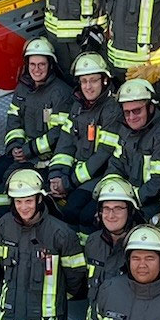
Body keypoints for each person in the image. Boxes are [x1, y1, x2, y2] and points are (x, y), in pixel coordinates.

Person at [0, 169, 86, 320]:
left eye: (28, 201)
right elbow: (1, 267)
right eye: (18, 201)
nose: (23, 207)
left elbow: (75, 278)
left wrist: (58, 296)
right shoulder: (4, 225)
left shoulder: (61, 233)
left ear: (39, 199)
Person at [0, 37, 75, 210]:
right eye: (32, 64)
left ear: (50, 65)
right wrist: (15, 146)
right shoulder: (23, 88)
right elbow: (13, 119)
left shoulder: (61, 93)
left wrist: (29, 150)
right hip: (23, 153)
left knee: (30, 189)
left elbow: (59, 133)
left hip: (47, 159)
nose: (37, 69)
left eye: (41, 64)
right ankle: (1, 220)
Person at [46, 53, 123, 227]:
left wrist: (68, 182)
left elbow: (103, 156)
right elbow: (65, 144)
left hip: (99, 176)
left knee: (73, 210)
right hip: (74, 175)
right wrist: (57, 175)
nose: (88, 87)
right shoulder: (77, 106)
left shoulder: (112, 111)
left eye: (93, 80)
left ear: (104, 80)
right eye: (84, 81)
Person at [112, 79, 160, 220]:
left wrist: (130, 200)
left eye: (137, 111)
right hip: (127, 197)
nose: (131, 117)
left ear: (150, 107)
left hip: (152, 201)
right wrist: (113, 193)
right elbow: (115, 165)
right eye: (127, 112)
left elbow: (159, 181)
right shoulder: (124, 129)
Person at [81, 176, 141, 304]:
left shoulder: (142, 247)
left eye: (118, 208)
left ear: (131, 211)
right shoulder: (93, 242)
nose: (111, 215)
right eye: (106, 209)